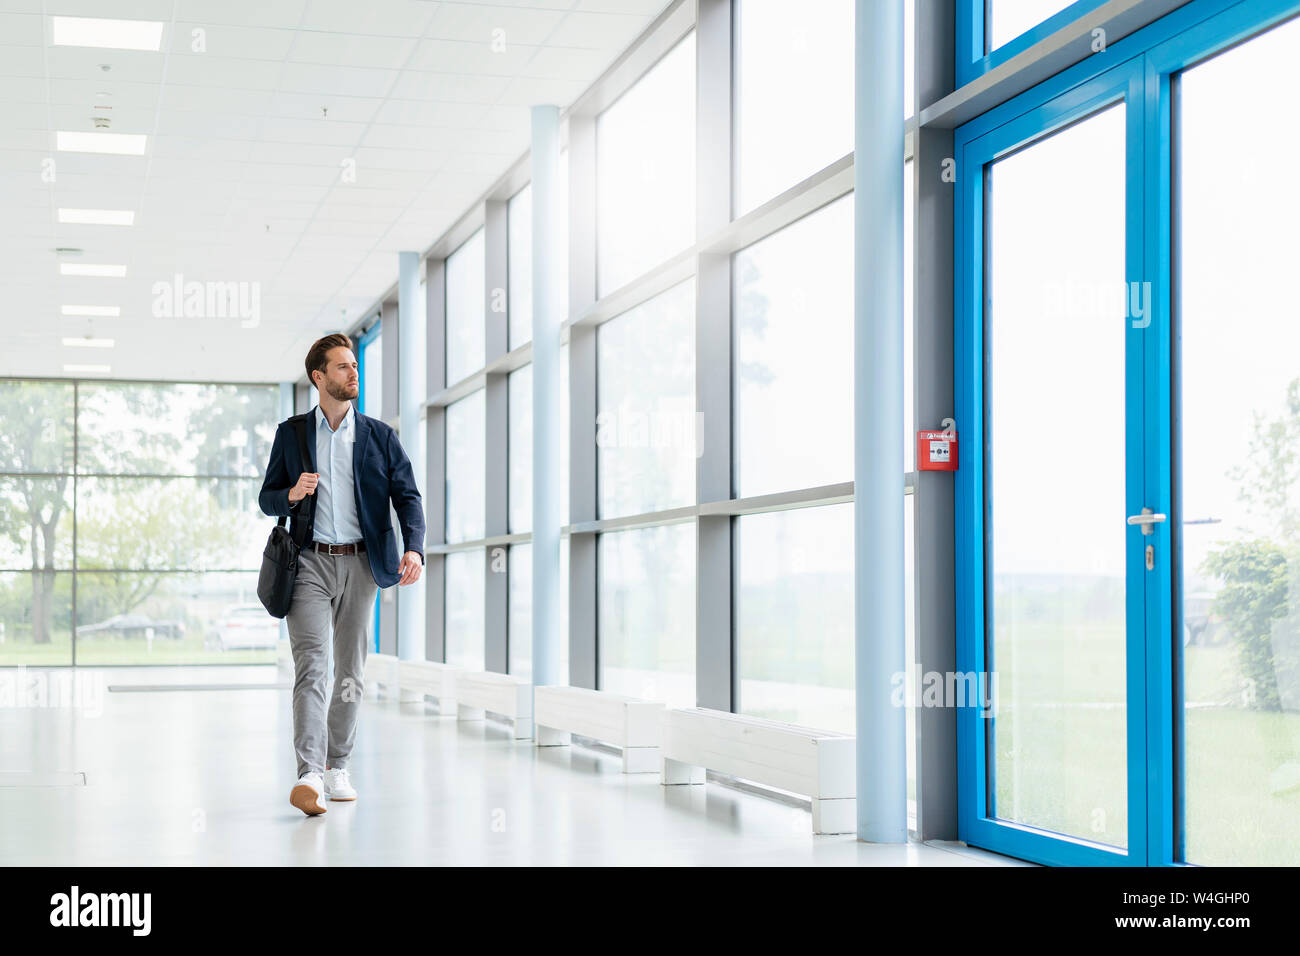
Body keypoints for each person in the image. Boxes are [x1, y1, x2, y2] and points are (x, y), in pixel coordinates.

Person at [258, 333, 425, 817]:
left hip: (362, 564)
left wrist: (413, 547)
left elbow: (407, 496)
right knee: (313, 665)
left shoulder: (379, 436)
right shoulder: (291, 435)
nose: (354, 373)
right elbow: (266, 499)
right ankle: (309, 772)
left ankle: (338, 766)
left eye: (355, 366)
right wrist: (291, 493)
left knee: (350, 670)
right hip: (308, 562)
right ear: (319, 376)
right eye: (343, 367)